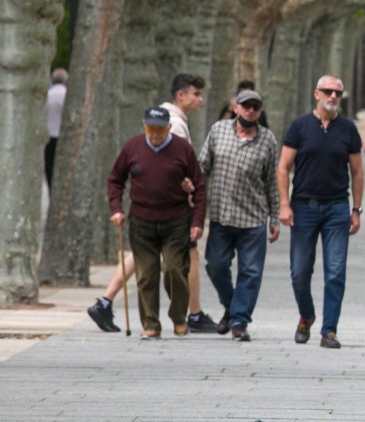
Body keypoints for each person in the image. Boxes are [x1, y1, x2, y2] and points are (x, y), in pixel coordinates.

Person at [277, 75, 365, 350]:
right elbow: (283, 167)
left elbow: (357, 171)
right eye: (328, 91)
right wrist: (284, 203)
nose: (333, 96)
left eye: (338, 92)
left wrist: (356, 209)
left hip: (337, 207)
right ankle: (307, 314)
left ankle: (330, 330)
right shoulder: (300, 126)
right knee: (299, 272)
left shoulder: (347, 129)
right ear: (316, 94)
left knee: (335, 272)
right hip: (304, 206)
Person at [106, 106, 207, 339]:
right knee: (146, 275)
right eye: (151, 129)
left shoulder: (182, 148)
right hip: (142, 221)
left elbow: (200, 186)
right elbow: (115, 180)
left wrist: (197, 222)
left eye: (160, 130)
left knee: (174, 270)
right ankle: (151, 323)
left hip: (176, 220)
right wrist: (116, 209)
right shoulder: (133, 147)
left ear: (169, 128)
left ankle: (179, 316)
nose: (155, 134)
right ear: (144, 127)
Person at [197, 90, 281, 341]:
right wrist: (191, 192)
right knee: (216, 264)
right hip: (221, 215)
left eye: (255, 106)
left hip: (253, 217)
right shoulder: (218, 130)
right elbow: (202, 166)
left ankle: (239, 321)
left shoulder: (268, 140)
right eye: (246, 106)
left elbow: (271, 182)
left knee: (251, 272)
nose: (250, 110)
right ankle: (232, 306)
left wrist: (275, 216)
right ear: (235, 107)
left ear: (261, 111)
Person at [156, 73, 222, 334]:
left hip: (158, 198)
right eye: (196, 94)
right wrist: (189, 189)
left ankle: (105, 300)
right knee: (190, 255)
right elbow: (177, 164)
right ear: (180, 95)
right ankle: (193, 313)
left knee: (146, 251)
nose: (200, 100)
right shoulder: (176, 124)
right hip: (173, 201)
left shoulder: (165, 118)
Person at [45, 68, 67, 192]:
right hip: (63, 137)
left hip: (49, 136)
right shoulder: (68, 95)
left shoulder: (48, 95)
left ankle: (51, 191)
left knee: (49, 168)